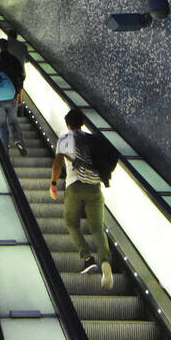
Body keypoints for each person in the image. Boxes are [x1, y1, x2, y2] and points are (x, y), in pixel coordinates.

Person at [49, 107, 113, 289]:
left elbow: (57, 162)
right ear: (82, 124)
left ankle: (87, 257)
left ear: (68, 124)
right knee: (97, 228)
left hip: (74, 187)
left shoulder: (66, 138)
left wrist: (53, 183)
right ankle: (105, 263)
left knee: (71, 222)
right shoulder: (92, 139)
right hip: (94, 188)